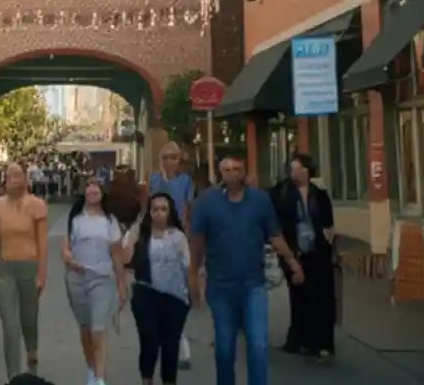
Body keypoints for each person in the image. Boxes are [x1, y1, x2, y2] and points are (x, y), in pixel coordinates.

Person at [190, 156, 303, 385]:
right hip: (220, 288)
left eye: (237, 169)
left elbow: (274, 235)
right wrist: (193, 273)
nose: (232, 173)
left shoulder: (259, 201)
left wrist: (293, 262)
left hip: (253, 285)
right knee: (224, 348)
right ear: (220, 172)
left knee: (259, 344)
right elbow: (198, 241)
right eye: (227, 169)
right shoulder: (207, 202)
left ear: (244, 172)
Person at [269, 153, 337, 360]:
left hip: (317, 251)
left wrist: (329, 240)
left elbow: (328, 222)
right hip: (294, 250)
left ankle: (322, 343)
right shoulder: (282, 191)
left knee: (321, 297)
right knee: (299, 296)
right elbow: (274, 216)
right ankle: (300, 339)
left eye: (299, 168)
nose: (295, 173)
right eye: (292, 169)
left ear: (308, 171)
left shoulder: (319, 193)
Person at [124, 193, 196, 385]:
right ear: (149, 212)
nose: (159, 213)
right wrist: (133, 234)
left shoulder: (178, 237)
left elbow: (188, 267)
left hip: (175, 298)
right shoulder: (141, 234)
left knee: (170, 346)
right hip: (146, 294)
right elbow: (125, 260)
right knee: (149, 341)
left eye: (164, 209)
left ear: (170, 212)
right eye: (155, 209)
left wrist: (194, 294)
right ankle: (146, 379)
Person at [0, 162, 49, 379]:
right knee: (10, 324)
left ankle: (32, 350)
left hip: (29, 266)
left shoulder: (36, 205)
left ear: (25, 178)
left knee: (29, 319)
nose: (14, 178)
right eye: (10, 175)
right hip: (5, 269)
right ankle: (13, 375)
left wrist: (42, 274)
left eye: (18, 175)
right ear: (4, 179)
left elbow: (42, 243)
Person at [62, 177, 125, 385]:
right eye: (88, 187)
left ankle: (99, 378)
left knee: (98, 329)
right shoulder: (75, 219)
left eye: (96, 188)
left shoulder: (110, 221)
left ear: (101, 193)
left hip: (101, 278)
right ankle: (91, 368)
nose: (92, 191)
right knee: (86, 329)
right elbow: (65, 246)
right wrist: (68, 257)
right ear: (84, 193)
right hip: (77, 279)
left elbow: (117, 254)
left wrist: (121, 284)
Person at [146, 141, 197, 369]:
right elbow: (147, 209)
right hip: (157, 238)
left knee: (178, 291)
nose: (169, 161)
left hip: (178, 238)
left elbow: (188, 210)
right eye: (165, 157)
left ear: (179, 160)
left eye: (173, 158)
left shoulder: (185, 182)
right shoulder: (154, 180)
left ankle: (181, 346)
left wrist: (189, 237)